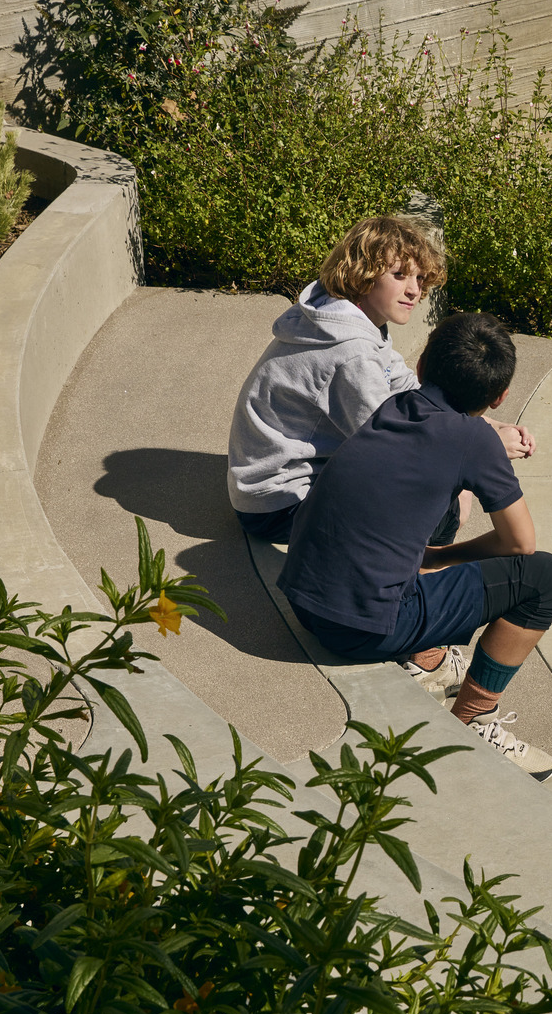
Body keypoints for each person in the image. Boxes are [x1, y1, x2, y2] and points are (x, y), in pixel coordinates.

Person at [226, 215, 532, 681]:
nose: (415, 290)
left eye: (420, 280)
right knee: (448, 496)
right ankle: (414, 590)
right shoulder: (347, 351)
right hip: (278, 499)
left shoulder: (343, 318)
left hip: (277, 476)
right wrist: (479, 451)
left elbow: (410, 389)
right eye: (400, 275)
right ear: (364, 272)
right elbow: (399, 441)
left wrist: (483, 421)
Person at [277, 312, 552, 780]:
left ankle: (427, 657)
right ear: (500, 397)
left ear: (423, 361)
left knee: (444, 503)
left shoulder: (394, 406)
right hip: (360, 630)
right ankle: (475, 716)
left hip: (305, 601)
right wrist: (443, 559)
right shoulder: (473, 438)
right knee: (544, 579)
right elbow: (521, 543)